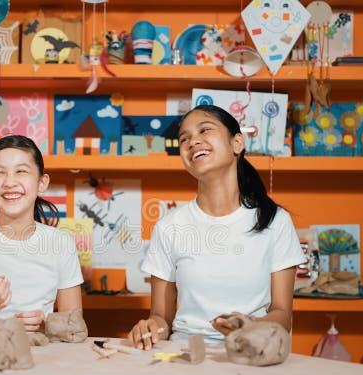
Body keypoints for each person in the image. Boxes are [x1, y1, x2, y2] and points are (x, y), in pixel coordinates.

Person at [129, 104, 305, 349]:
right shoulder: (169, 227)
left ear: (237, 143)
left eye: (205, 130)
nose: (193, 142)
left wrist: (250, 327)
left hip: (250, 353)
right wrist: (150, 327)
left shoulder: (276, 221)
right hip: (186, 354)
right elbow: (162, 317)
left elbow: (282, 315)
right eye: (184, 139)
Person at [0, 135, 83, 335]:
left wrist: (45, 325)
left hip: (41, 355)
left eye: (21, 171)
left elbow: (74, 323)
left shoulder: (61, 242)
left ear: (42, 182)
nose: (10, 182)